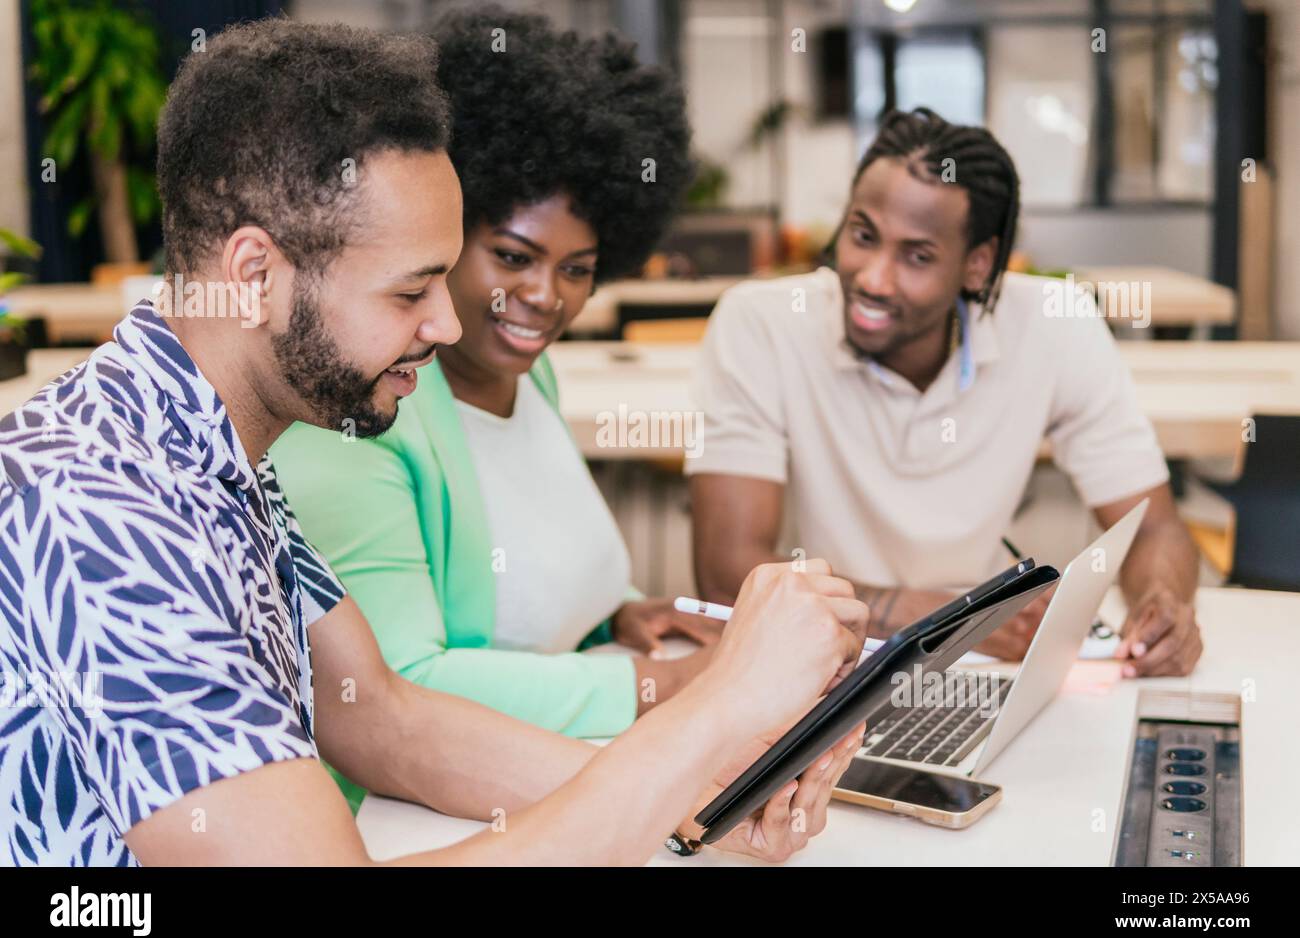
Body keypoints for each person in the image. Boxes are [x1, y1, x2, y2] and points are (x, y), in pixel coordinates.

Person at [0, 19, 866, 866]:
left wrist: (697, 800)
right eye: (411, 290)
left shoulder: (209, 443)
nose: (448, 322)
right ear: (255, 276)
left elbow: (381, 716)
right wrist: (712, 708)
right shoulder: (105, 509)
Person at [272, 11, 715, 811]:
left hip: (553, 781)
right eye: (513, 256)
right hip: (408, 819)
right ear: (441, 232)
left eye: (577, 268)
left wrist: (612, 621)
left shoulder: (528, 378)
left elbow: (521, 595)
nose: (544, 297)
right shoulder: (355, 414)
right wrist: (656, 685)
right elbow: (404, 686)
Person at [687, 107, 1202, 678]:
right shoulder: (760, 323)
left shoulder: (1055, 323)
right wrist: (938, 615)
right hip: (831, 662)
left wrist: (1165, 605)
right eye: (863, 235)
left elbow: (1154, 526)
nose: (873, 278)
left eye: (918, 256)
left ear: (977, 265)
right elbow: (726, 571)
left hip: (991, 662)